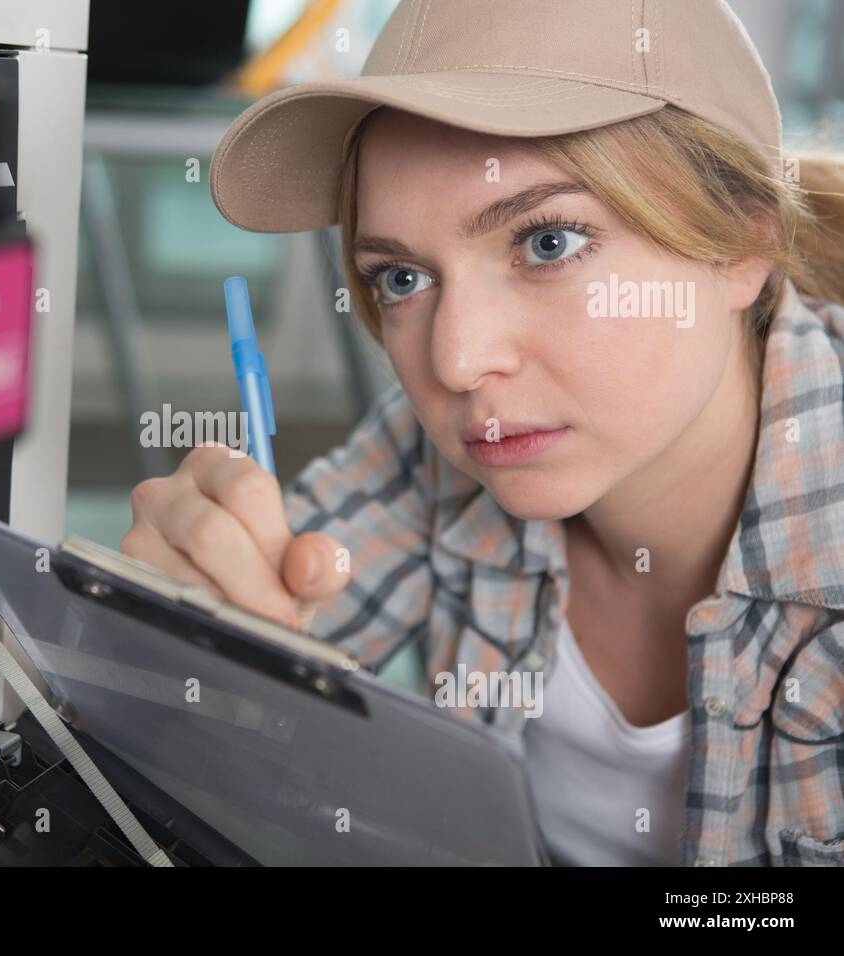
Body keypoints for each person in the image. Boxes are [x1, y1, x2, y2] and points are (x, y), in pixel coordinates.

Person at [120, 0, 844, 866]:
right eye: (401, 275)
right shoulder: (443, 456)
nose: (457, 362)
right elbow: (234, 675)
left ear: (743, 241)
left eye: (547, 242)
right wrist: (171, 628)